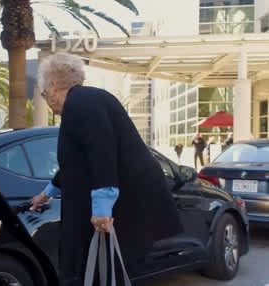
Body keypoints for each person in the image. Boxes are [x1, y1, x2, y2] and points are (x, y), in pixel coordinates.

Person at [30, 52, 183, 286]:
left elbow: (102, 151)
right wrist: (47, 193)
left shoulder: (79, 104)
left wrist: (102, 208)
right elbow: (75, 162)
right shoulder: (86, 101)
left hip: (128, 203)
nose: (46, 99)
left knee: (109, 270)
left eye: (43, 94)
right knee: (107, 270)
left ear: (52, 85)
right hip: (132, 197)